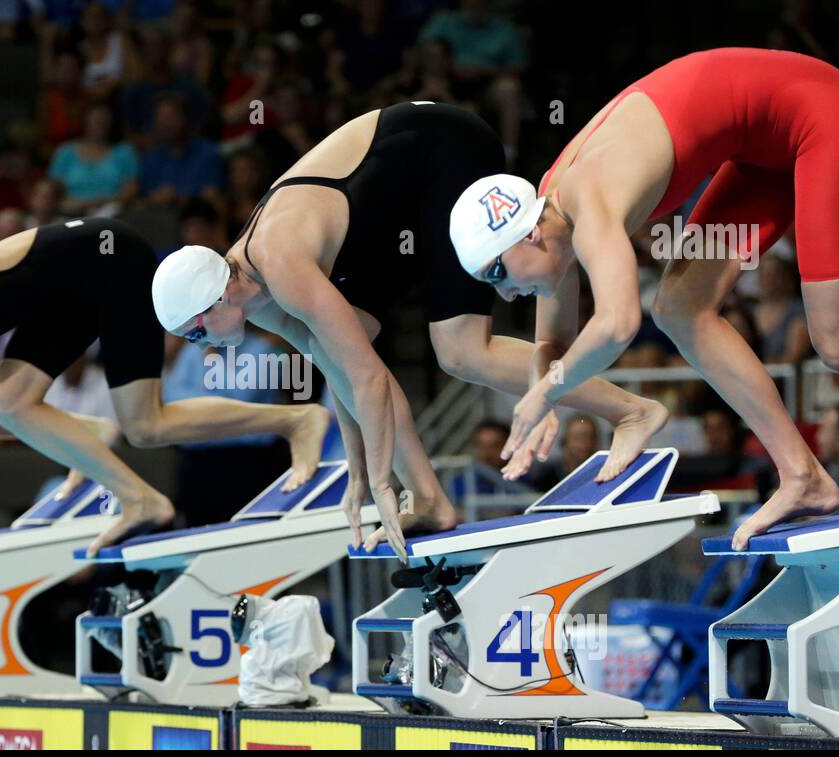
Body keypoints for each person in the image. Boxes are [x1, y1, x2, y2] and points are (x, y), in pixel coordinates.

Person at [153, 102, 665, 557]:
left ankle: (632, 411)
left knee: (462, 352)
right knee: (355, 349)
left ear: (215, 299)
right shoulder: (255, 296)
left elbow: (370, 380)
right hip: (389, 209)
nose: (200, 346)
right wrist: (356, 469)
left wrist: (381, 483)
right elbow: (341, 371)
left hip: (441, 149)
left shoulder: (278, 261)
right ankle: (431, 500)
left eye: (195, 333)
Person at [453, 48, 839, 549]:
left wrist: (544, 392)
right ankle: (802, 475)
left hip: (821, 112)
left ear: (529, 235)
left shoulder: (588, 199)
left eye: (498, 271)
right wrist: (553, 400)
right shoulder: (550, 211)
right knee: (679, 307)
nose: (505, 293)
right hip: (760, 146)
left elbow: (617, 324)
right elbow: (552, 344)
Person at [0, 218, 330, 556]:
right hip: (65, 294)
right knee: (7, 403)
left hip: (109, 263)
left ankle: (295, 419)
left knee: (146, 424)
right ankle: (132, 489)